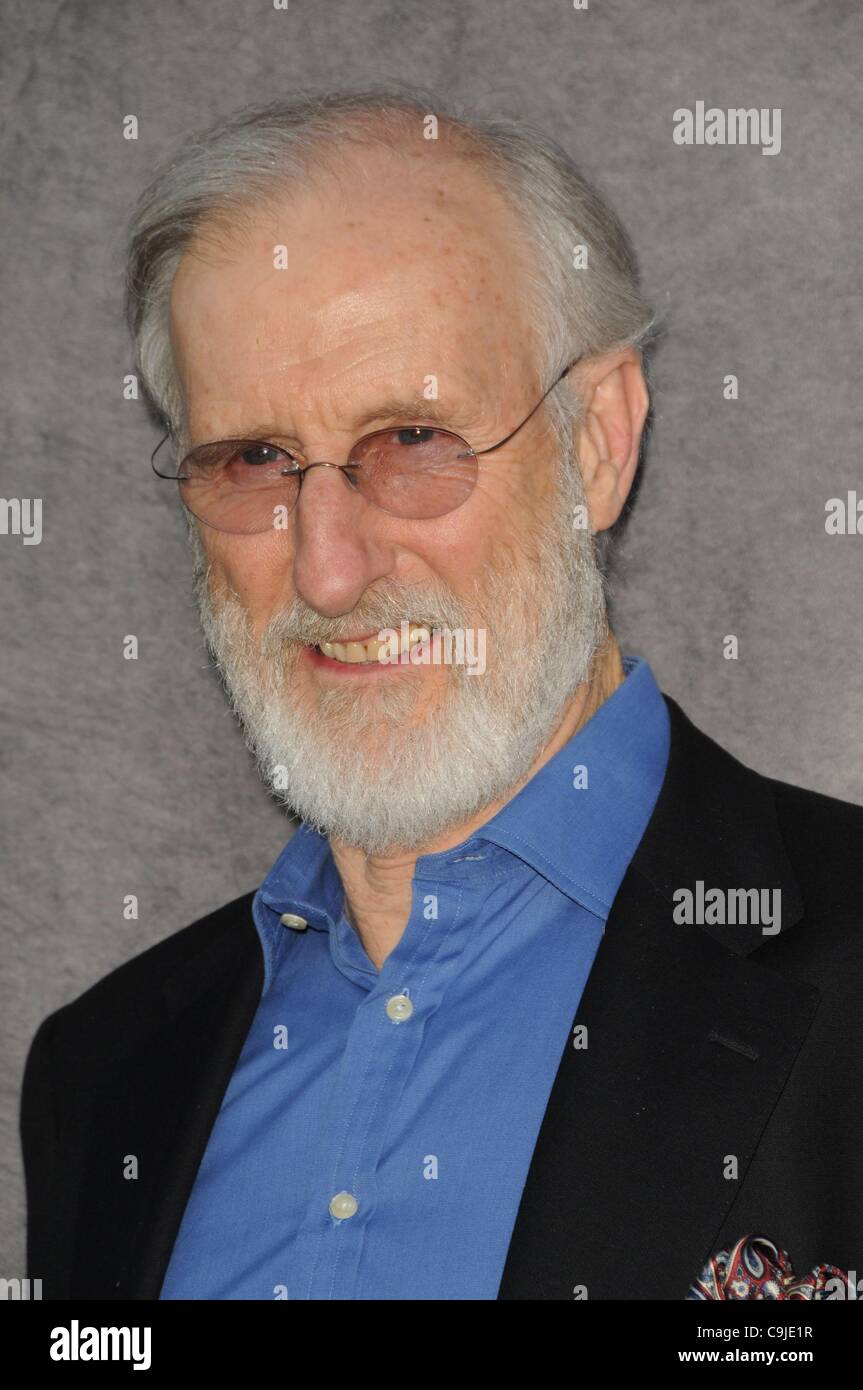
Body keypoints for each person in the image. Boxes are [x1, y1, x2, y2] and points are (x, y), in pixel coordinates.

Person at [20, 89, 863, 1301]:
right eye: (253, 458)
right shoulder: (102, 1078)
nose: (326, 567)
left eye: (411, 439)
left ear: (597, 444)